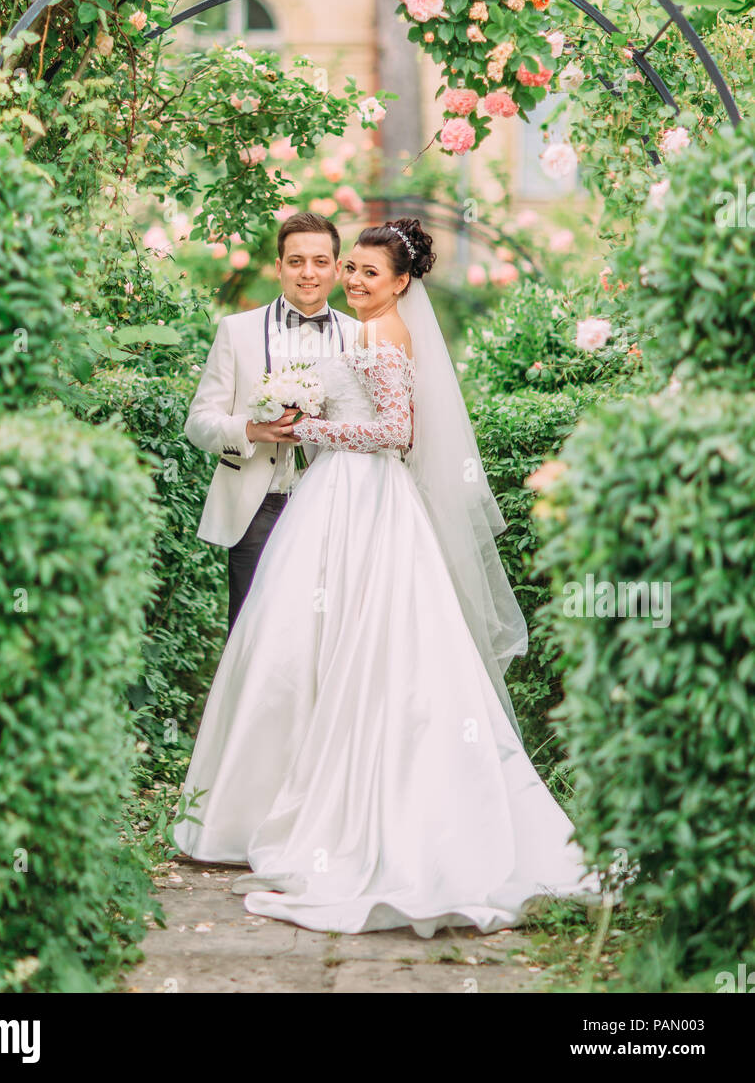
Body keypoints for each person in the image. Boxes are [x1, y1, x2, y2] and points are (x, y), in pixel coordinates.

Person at [175, 218, 604, 937]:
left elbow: (396, 432)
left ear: (400, 281)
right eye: (345, 270)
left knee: (355, 647)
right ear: (282, 265)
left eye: (360, 271)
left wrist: (310, 425)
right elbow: (208, 419)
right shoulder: (248, 331)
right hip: (310, 502)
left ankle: (349, 810)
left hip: (355, 501)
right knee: (292, 654)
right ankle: (286, 798)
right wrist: (266, 426)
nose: (345, 279)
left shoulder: (369, 332)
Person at [185, 211, 359, 633]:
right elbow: (198, 423)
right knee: (250, 632)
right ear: (279, 267)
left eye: (320, 261)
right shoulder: (236, 331)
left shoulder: (361, 338)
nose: (308, 273)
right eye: (296, 261)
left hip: (335, 506)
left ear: (336, 269)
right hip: (257, 507)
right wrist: (249, 429)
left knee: (324, 632)